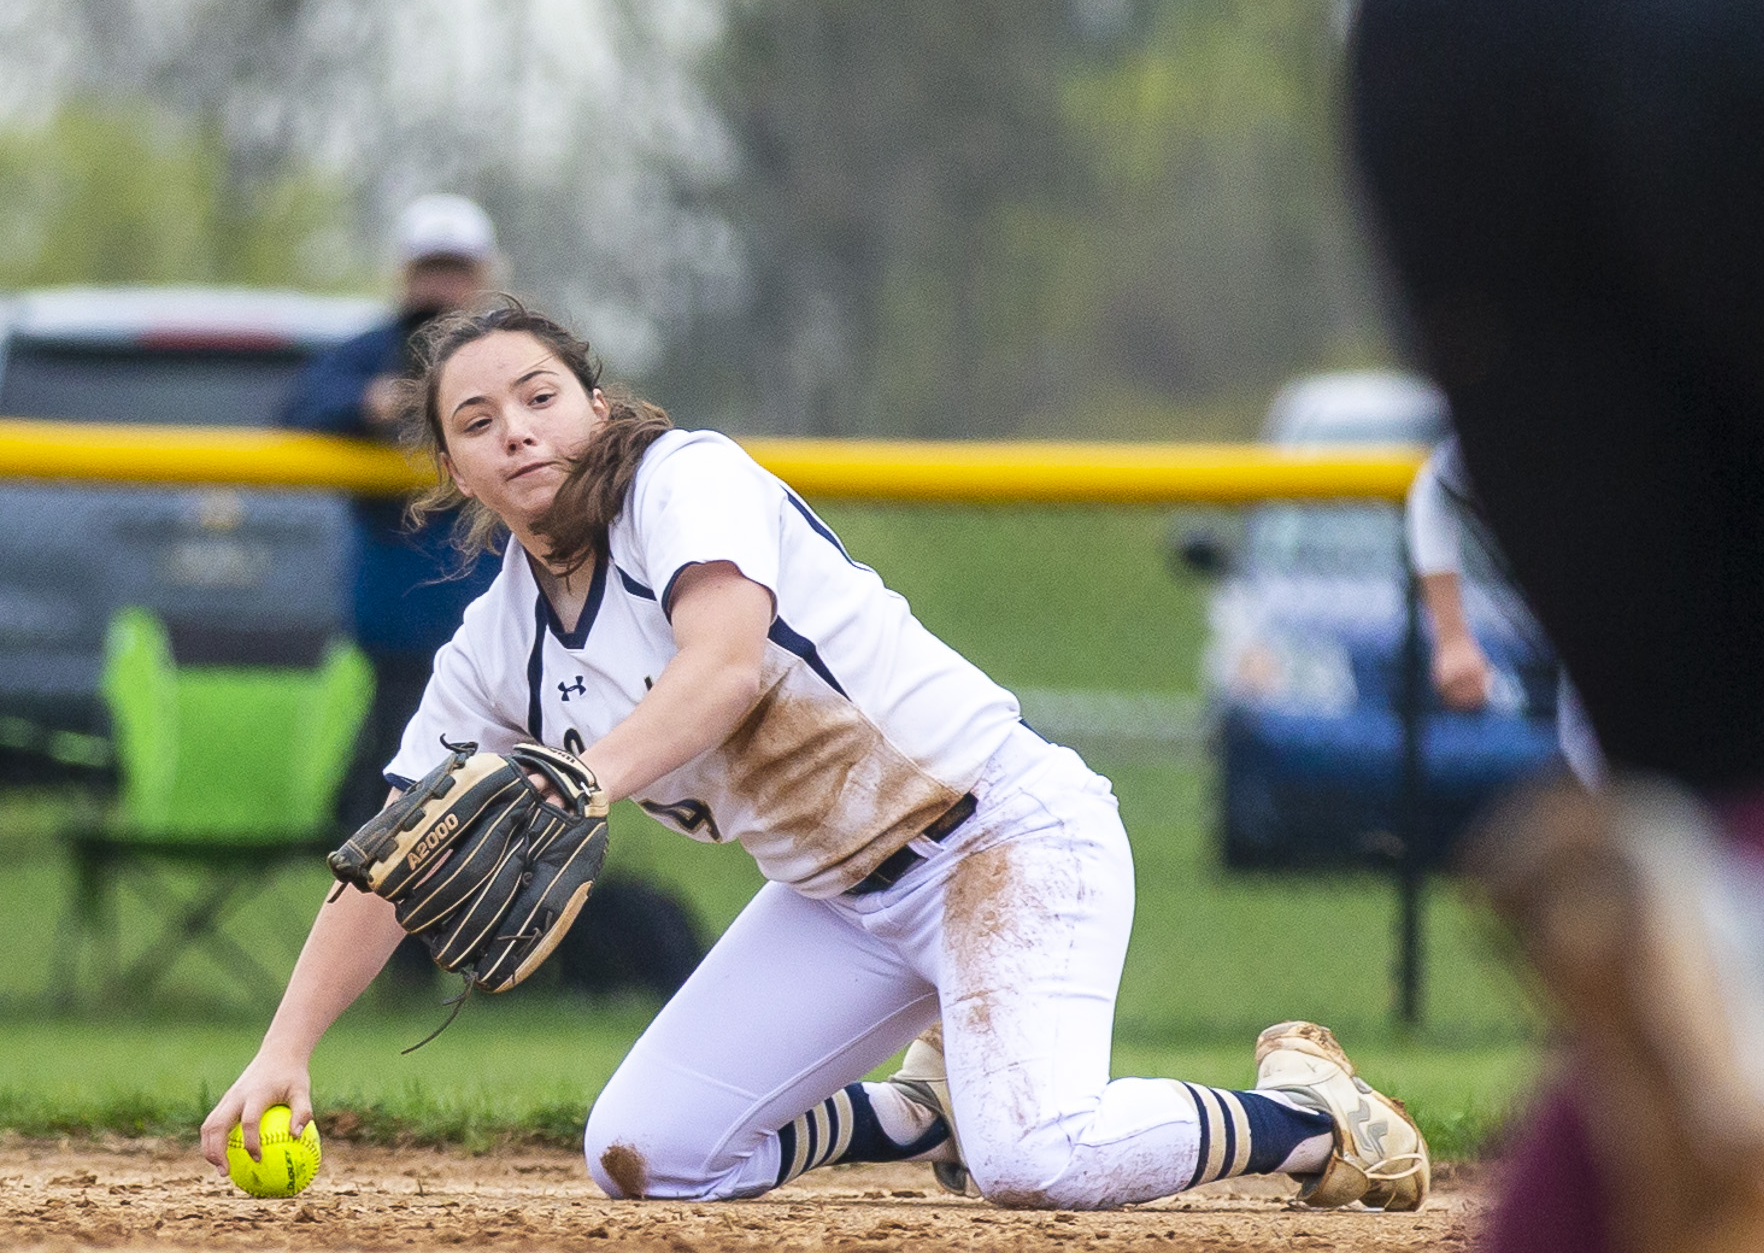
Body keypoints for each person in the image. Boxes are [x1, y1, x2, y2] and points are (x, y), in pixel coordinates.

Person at [199, 297, 1431, 1211]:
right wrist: (284, 1047)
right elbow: (398, 858)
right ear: (455, 469)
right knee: (648, 1153)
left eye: (538, 395)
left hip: (1003, 836)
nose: (516, 431)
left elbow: (724, 665)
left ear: (595, 403)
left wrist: (590, 779)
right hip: (838, 906)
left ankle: (1306, 1119)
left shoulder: (686, 481)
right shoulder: (495, 648)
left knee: (1031, 1160)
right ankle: (916, 1109)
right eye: (477, 421)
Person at [1350, 0, 1764, 1248]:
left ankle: (1736, 900)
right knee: (1743, 930)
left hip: (1457, 32)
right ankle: (1761, 900)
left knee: (1703, 1037)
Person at [1404, 438, 1764, 786]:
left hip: (1742, 677)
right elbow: (1434, 489)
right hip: (1613, 661)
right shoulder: (1567, 406)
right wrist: (1453, 638)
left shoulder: (1736, 412)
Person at [280, 193, 502, 833]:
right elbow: (300, 407)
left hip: (487, 579)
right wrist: (370, 403)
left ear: (482, 278)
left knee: (498, 737)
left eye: (456, 270)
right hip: (397, 588)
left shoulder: (502, 351)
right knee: (397, 741)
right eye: (431, 269)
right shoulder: (373, 352)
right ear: (405, 275)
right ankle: (370, 834)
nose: (442, 285)